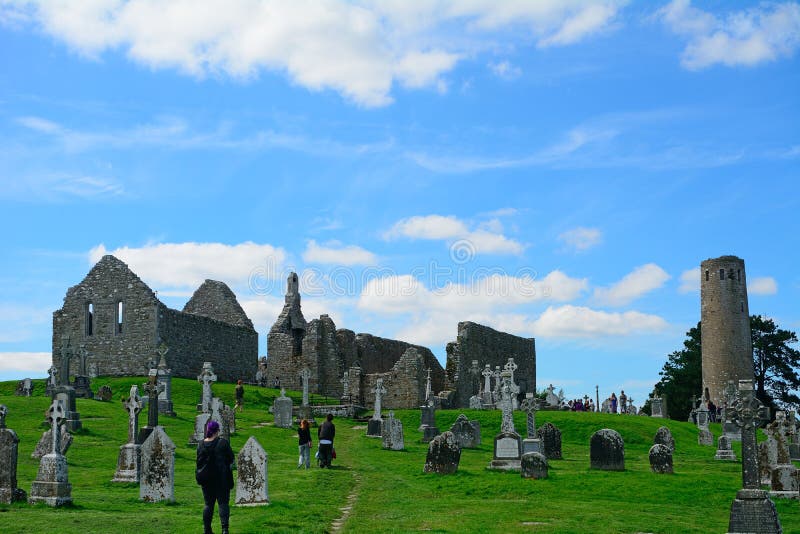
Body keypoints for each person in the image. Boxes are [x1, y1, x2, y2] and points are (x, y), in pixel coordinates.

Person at [196, 420, 234, 534]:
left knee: (208, 504)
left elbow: (199, 462)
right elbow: (231, 458)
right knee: (223, 503)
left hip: (206, 479)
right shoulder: (223, 443)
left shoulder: (200, 444)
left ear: (208, 430)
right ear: (217, 431)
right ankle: (225, 530)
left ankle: (207, 530)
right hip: (222, 478)